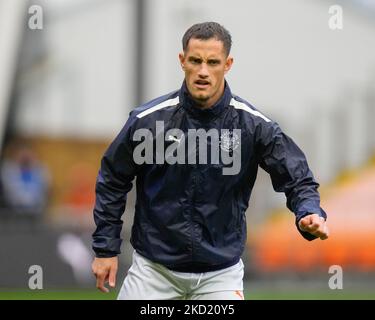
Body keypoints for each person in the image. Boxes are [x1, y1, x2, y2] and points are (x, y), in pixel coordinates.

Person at [91, 22, 329, 300]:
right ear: (182, 61)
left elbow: (297, 177)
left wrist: (309, 210)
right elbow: (113, 179)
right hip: (153, 272)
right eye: (195, 60)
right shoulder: (148, 121)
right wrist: (105, 249)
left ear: (227, 64)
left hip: (220, 276)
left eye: (212, 62)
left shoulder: (252, 126)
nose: (203, 71)